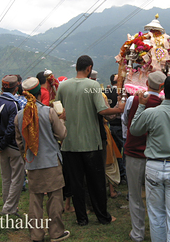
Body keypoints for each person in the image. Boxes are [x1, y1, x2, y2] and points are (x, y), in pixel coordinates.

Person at [55, 55, 124, 226]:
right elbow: (101, 110)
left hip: (69, 142)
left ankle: (81, 218)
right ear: (89, 68)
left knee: (77, 183)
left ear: (77, 67)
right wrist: (119, 109)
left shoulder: (63, 86)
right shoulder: (92, 86)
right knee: (96, 182)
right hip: (91, 142)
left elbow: (57, 109)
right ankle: (102, 216)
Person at [130, 75, 170, 242]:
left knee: (156, 214)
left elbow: (135, 130)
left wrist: (141, 107)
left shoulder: (151, 113)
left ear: (163, 90)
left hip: (154, 167)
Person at [15, 77, 70, 242]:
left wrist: (27, 158)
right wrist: (62, 119)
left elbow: (19, 143)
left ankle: (36, 235)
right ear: (40, 92)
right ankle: (56, 232)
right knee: (55, 199)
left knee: (35, 200)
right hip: (51, 162)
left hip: (32, 164)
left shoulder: (19, 116)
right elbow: (62, 134)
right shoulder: (48, 112)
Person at [123, 71, 166, 242]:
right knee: (156, 196)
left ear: (147, 82)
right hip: (154, 156)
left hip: (134, 152)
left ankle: (137, 233)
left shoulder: (133, 100)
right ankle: (158, 233)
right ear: (163, 87)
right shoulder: (164, 105)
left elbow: (126, 121)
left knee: (134, 195)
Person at [0, 75, 25, 217]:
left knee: (6, 178)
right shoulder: (13, 103)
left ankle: (7, 206)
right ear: (16, 88)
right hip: (12, 146)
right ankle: (10, 209)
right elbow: (12, 128)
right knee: (17, 180)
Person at [105, 73, 126, 184]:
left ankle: (120, 173)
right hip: (121, 124)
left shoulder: (106, 93)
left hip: (111, 124)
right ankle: (124, 173)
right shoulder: (122, 93)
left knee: (116, 150)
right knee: (124, 149)